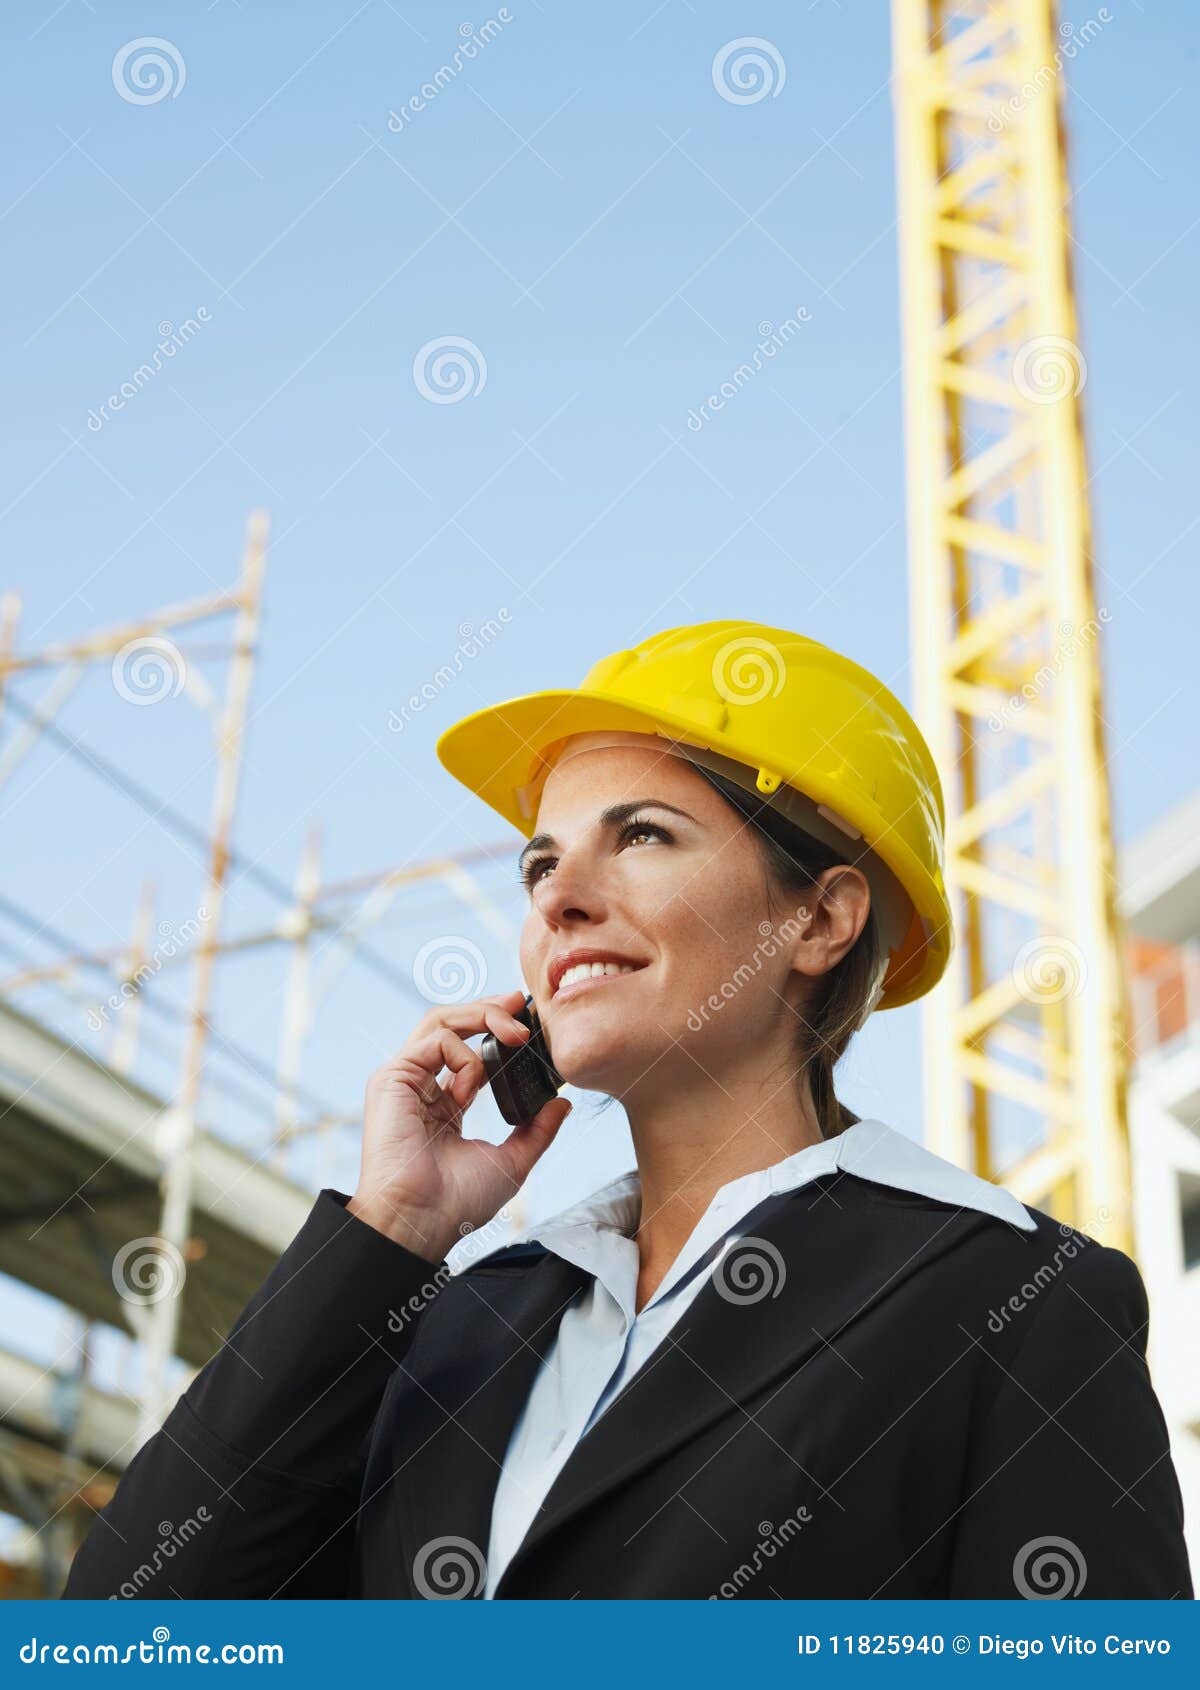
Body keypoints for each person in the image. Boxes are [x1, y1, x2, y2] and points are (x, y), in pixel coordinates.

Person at [64, 620, 1192, 1600]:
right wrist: (390, 1234)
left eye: (642, 834)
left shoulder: (1005, 1301)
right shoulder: (457, 1324)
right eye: (539, 861)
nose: (559, 895)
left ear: (820, 920)